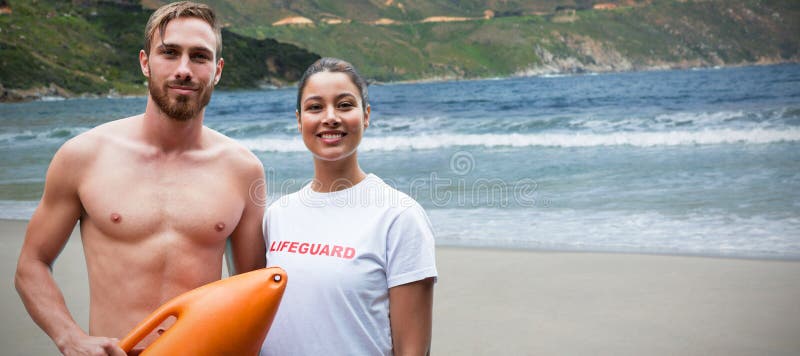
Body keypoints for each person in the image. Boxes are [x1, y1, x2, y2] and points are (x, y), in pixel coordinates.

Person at [14, 2, 266, 355]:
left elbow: (251, 290)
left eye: (199, 56)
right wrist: (69, 337)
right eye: (170, 53)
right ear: (146, 62)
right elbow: (31, 264)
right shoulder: (84, 156)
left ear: (217, 70)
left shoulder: (243, 170)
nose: (184, 69)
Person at [261, 57, 437, 355]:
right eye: (315, 107)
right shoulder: (276, 216)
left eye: (344, 105)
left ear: (366, 115)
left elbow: (412, 349)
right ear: (299, 119)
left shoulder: (399, 217)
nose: (330, 117)